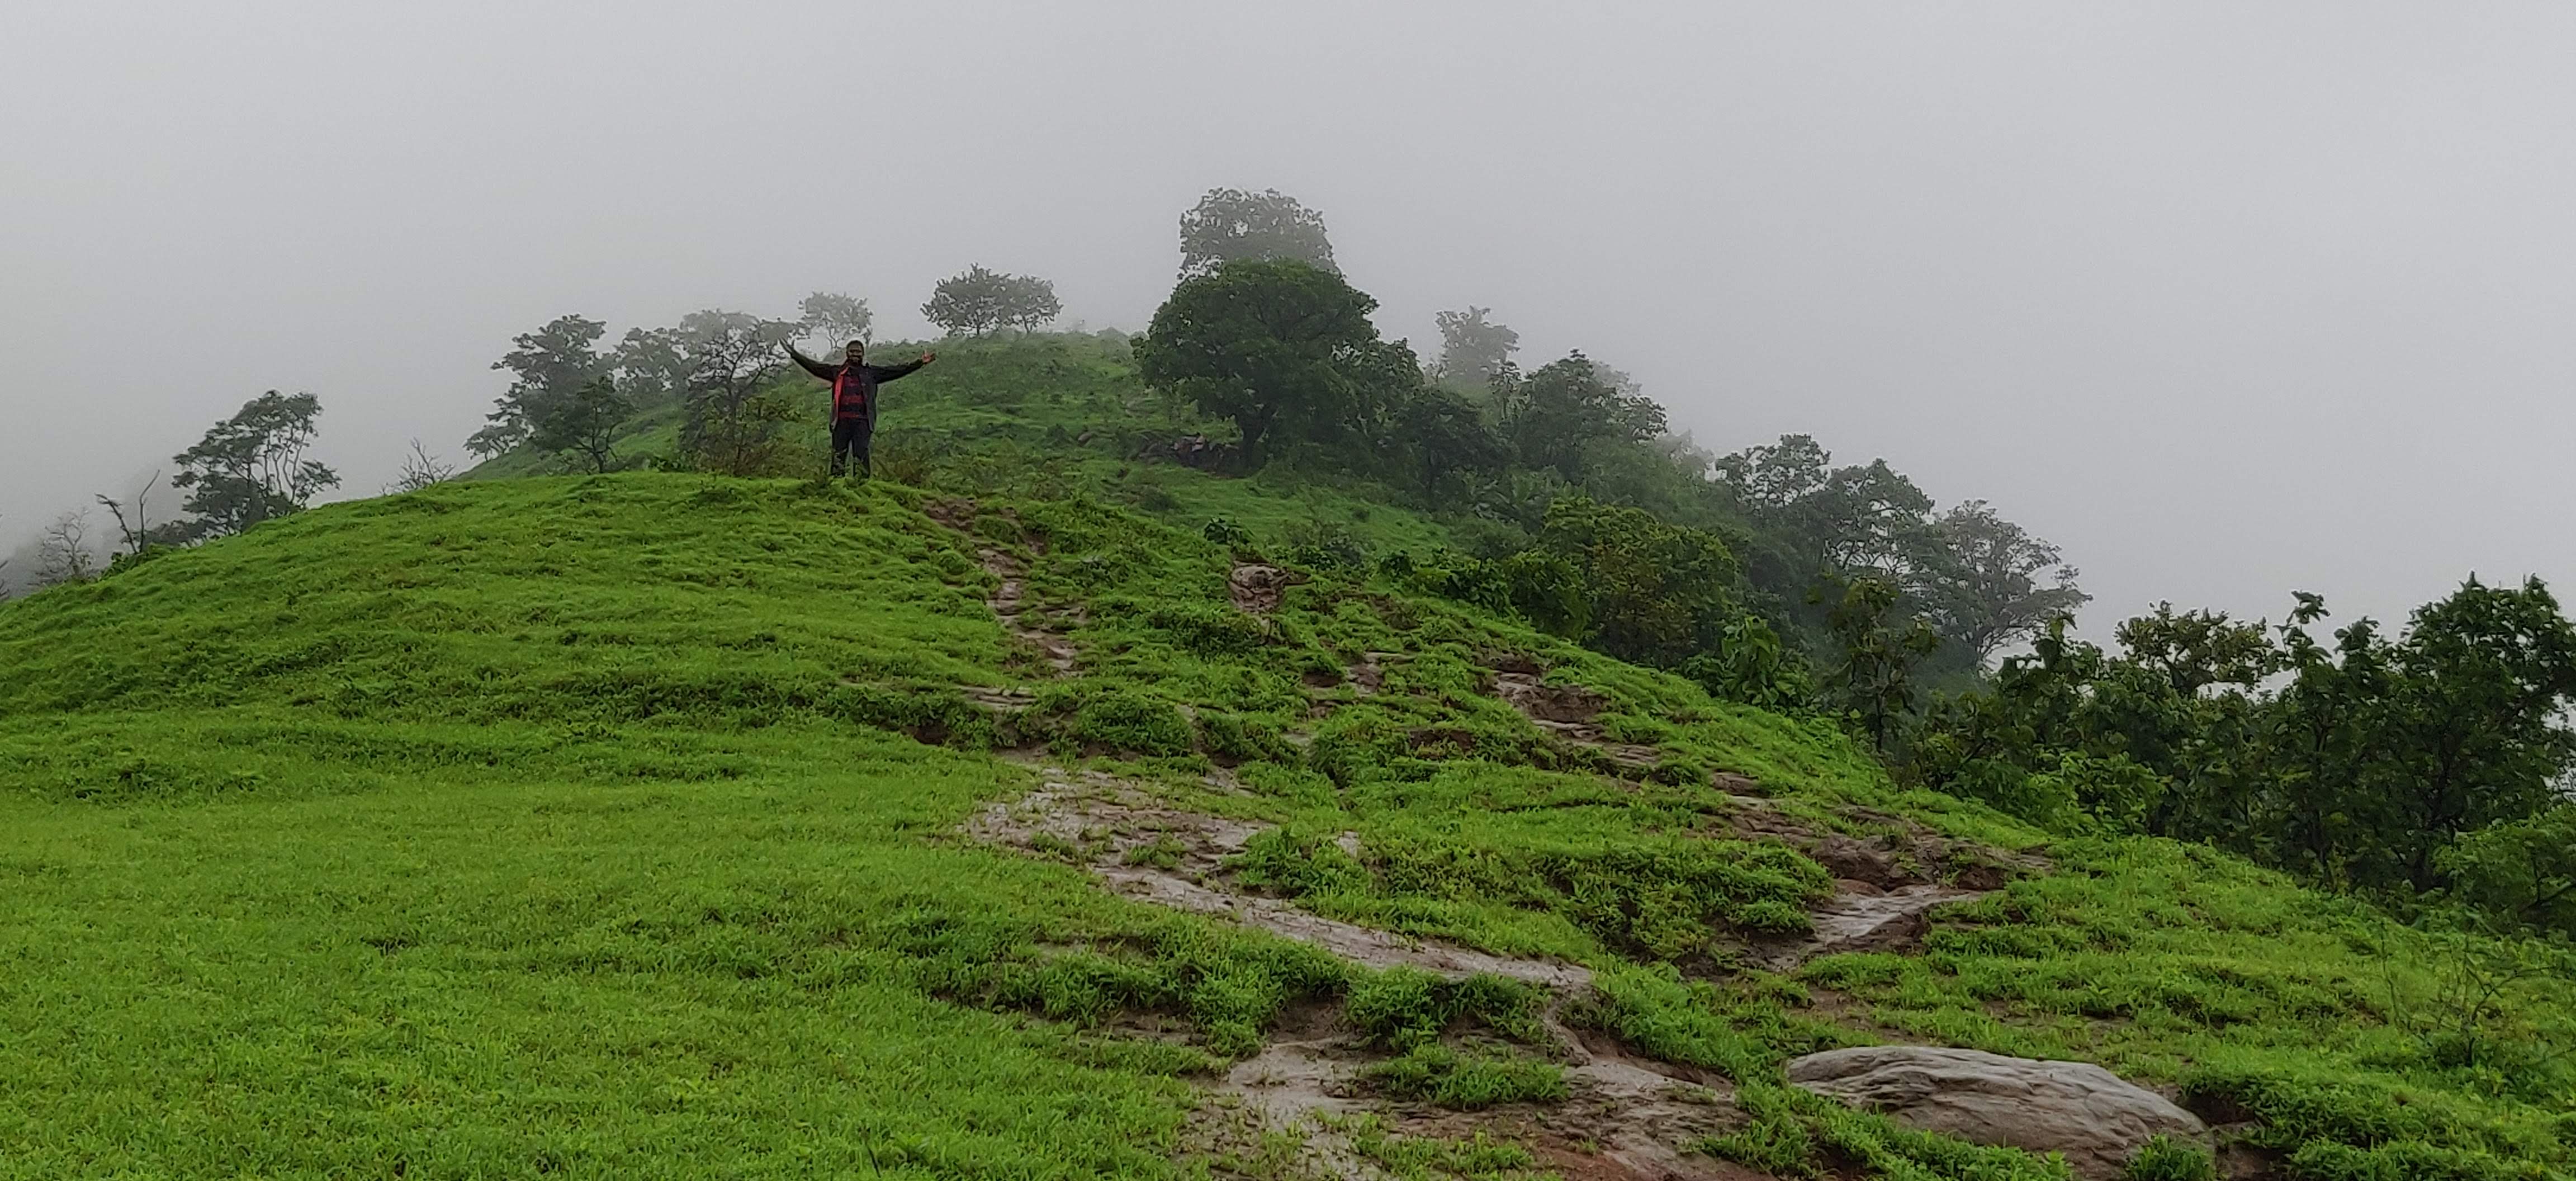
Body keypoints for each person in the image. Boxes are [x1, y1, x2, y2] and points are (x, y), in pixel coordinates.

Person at [784, 339, 935, 478]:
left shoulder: (871, 373)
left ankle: (861, 487)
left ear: (863, 354)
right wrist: (795, 355)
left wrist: (920, 363)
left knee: (861, 455)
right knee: (838, 456)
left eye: (858, 352)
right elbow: (814, 367)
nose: (856, 354)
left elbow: (896, 371)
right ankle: (836, 486)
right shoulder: (837, 372)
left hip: (863, 423)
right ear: (847, 354)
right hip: (841, 423)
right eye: (853, 352)